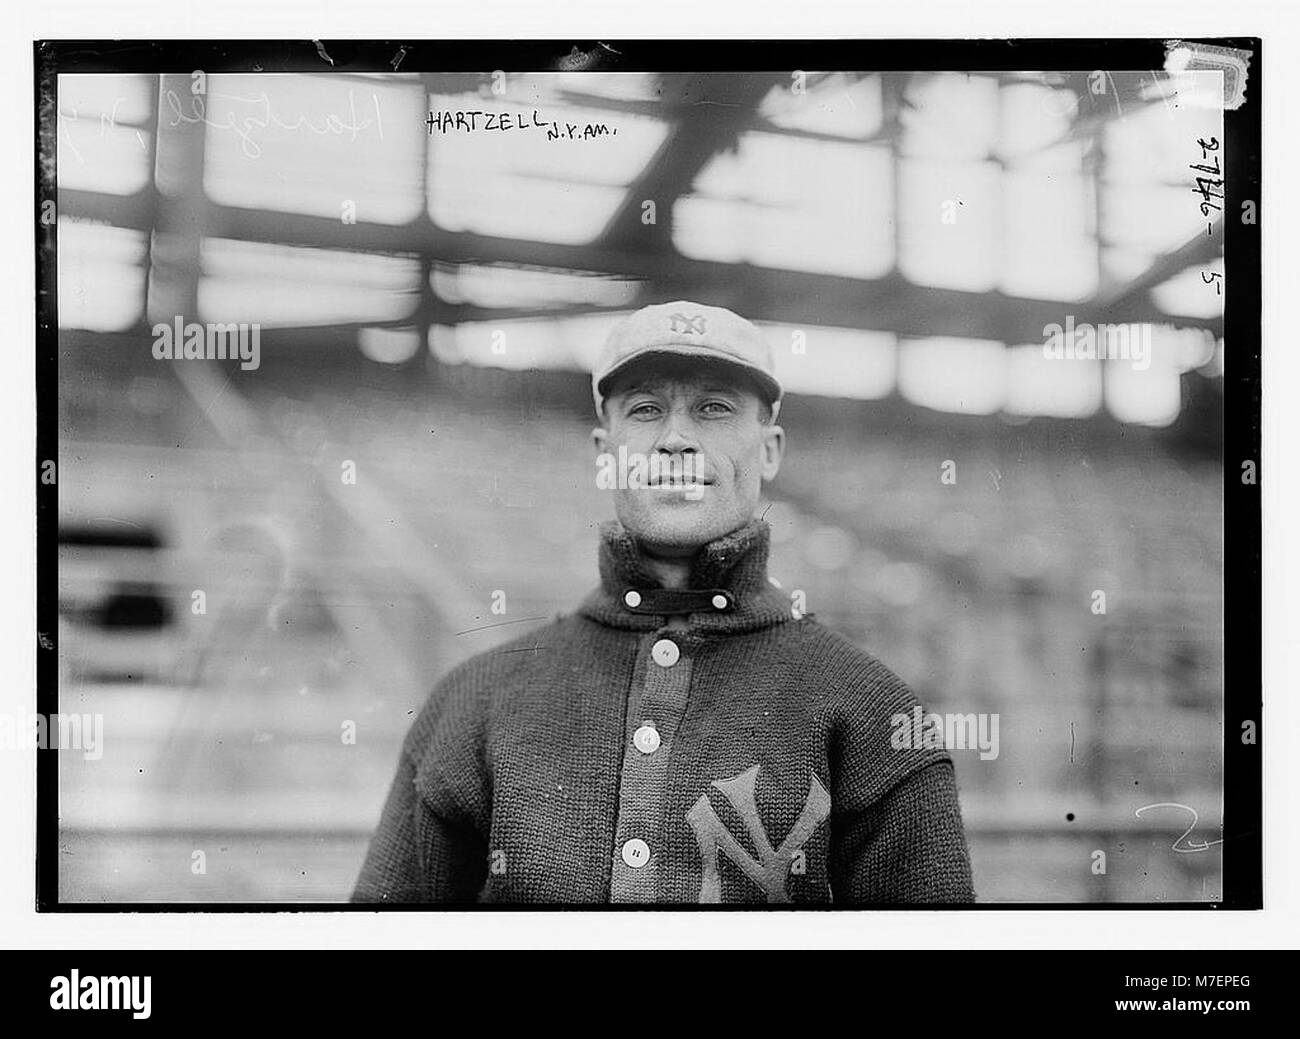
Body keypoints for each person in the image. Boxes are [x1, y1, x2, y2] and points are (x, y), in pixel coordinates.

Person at [353, 300, 975, 904]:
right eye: (647, 410)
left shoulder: (872, 710)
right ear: (605, 455)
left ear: (770, 449)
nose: (676, 439)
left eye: (714, 408)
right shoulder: (473, 701)